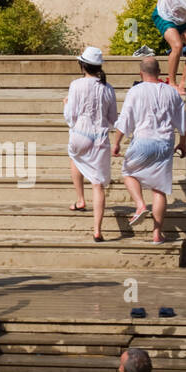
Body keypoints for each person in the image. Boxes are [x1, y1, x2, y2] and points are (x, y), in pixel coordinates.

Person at [113, 56, 186, 245]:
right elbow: (183, 122)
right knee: (159, 189)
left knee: (128, 173)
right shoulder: (172, 92)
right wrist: (183, 142)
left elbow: (125, 119)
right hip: (165, 143)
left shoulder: (135, 91)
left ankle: (140, 205)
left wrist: (116, 142)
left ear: (141, 73)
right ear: (159, 72)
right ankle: (157, 234)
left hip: (143, 140)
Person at [64, 46, 118, 242]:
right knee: (98, 185)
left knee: (75, 157)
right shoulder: (108, 88)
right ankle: (97, 230)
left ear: (82, 65)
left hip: (80, 133)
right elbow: (113, 119)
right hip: (101, 137)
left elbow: (71, 116)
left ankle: (80, 199)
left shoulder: (76, 85)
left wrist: (65, 105)